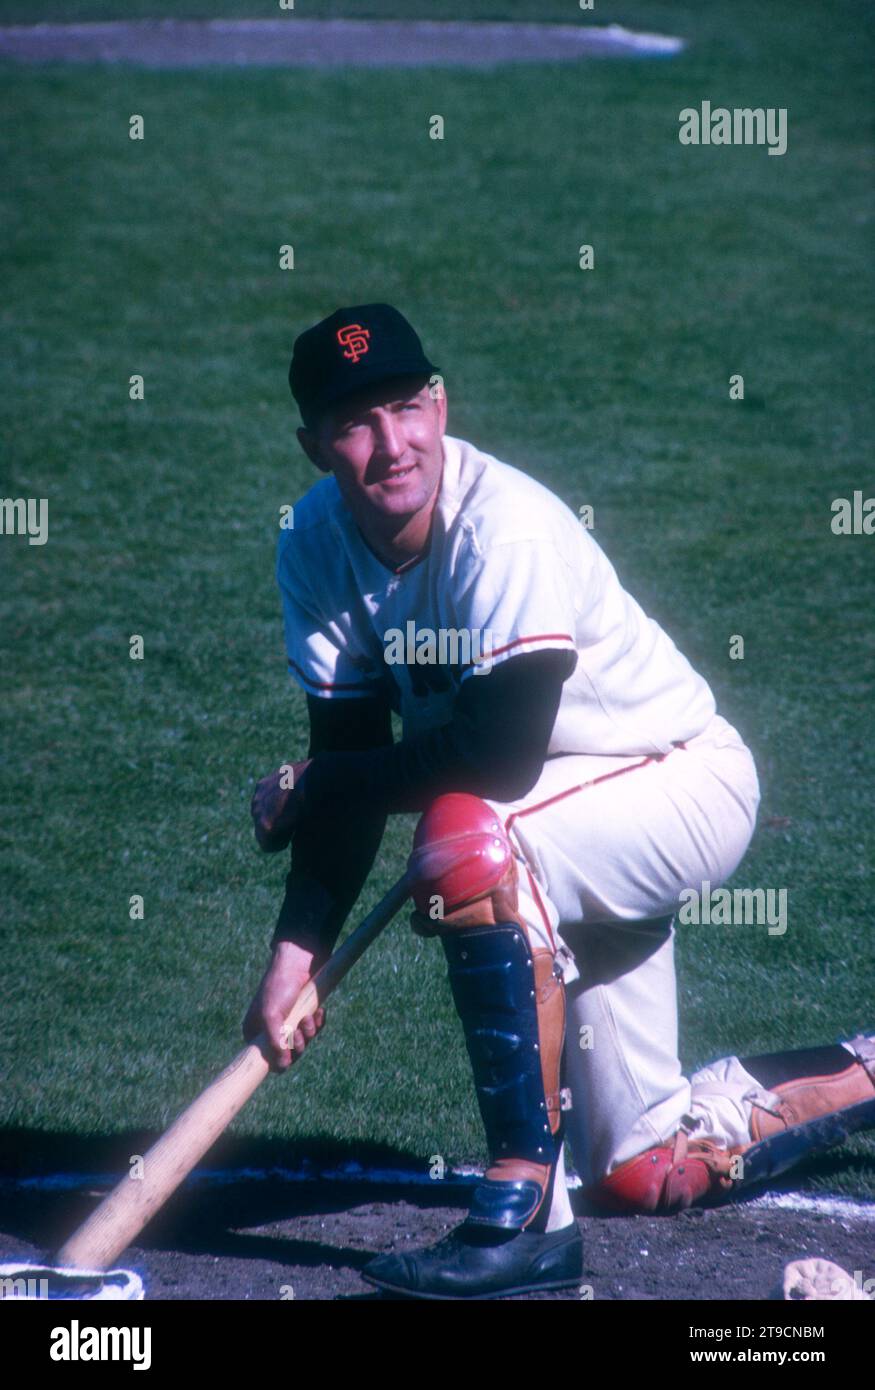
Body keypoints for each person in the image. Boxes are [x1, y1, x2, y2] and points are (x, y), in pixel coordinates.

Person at [243, 303, 875, 1300]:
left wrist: (318, 787)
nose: (390, 444)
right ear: (314, 445)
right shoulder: (314, 545)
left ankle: (523, 1214)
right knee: (643, 1169)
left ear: (438, 404)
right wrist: (294, 956)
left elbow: (492, 756)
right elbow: (352, 764)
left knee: (465, 843)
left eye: (406, 407)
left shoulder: (505, 527)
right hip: (562, 823)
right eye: (355, 423)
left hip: (675, 784)